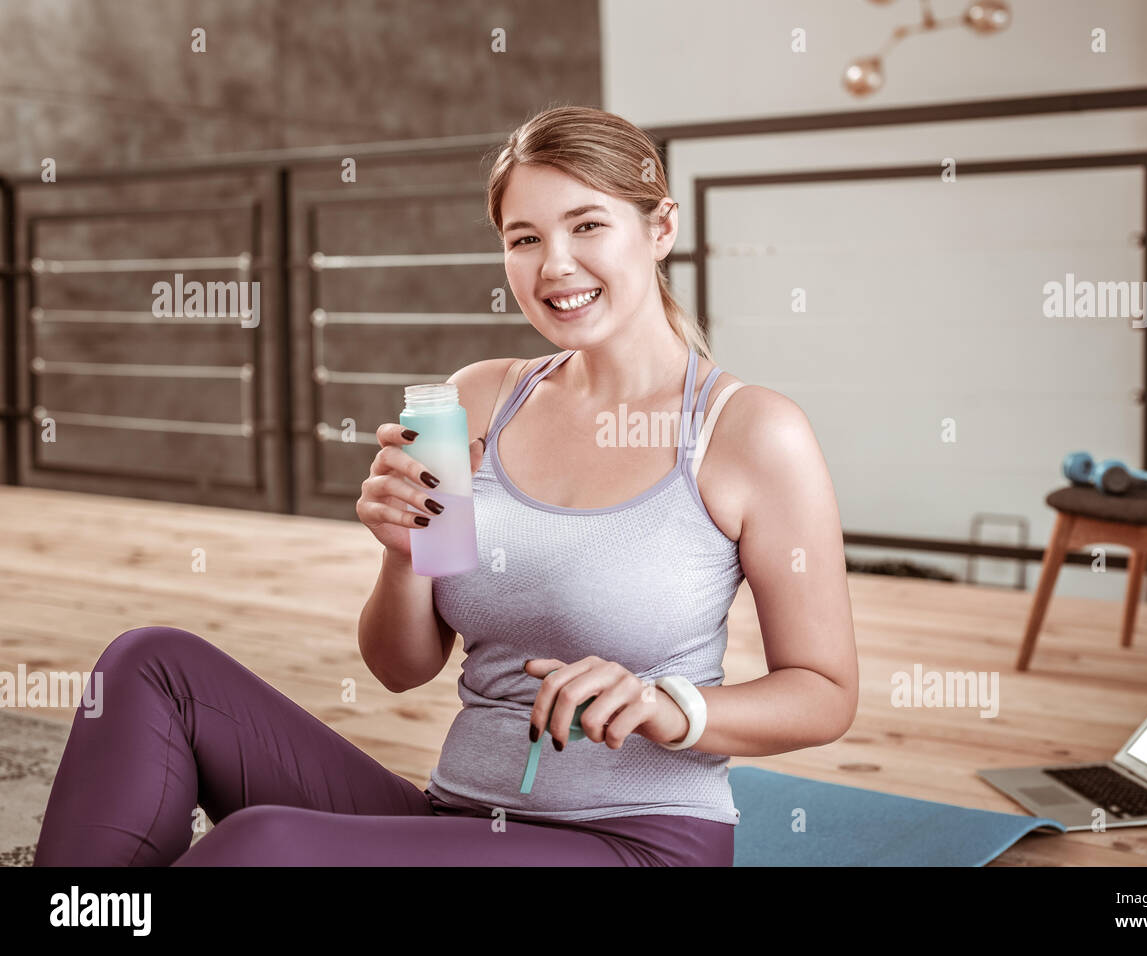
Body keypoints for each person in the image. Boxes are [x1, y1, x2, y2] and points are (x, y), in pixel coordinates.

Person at [33, 105, 857, 867]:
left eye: (587, 226)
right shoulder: (479, 399)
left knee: (264, 850)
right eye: (524, 238)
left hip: (635, 842)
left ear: (660, 227)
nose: (555, 266)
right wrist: (404, 556)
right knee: (153, 664)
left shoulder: (749, 432)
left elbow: (824, 694)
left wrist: (669, 704)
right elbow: (400, 668)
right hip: (458, 819)